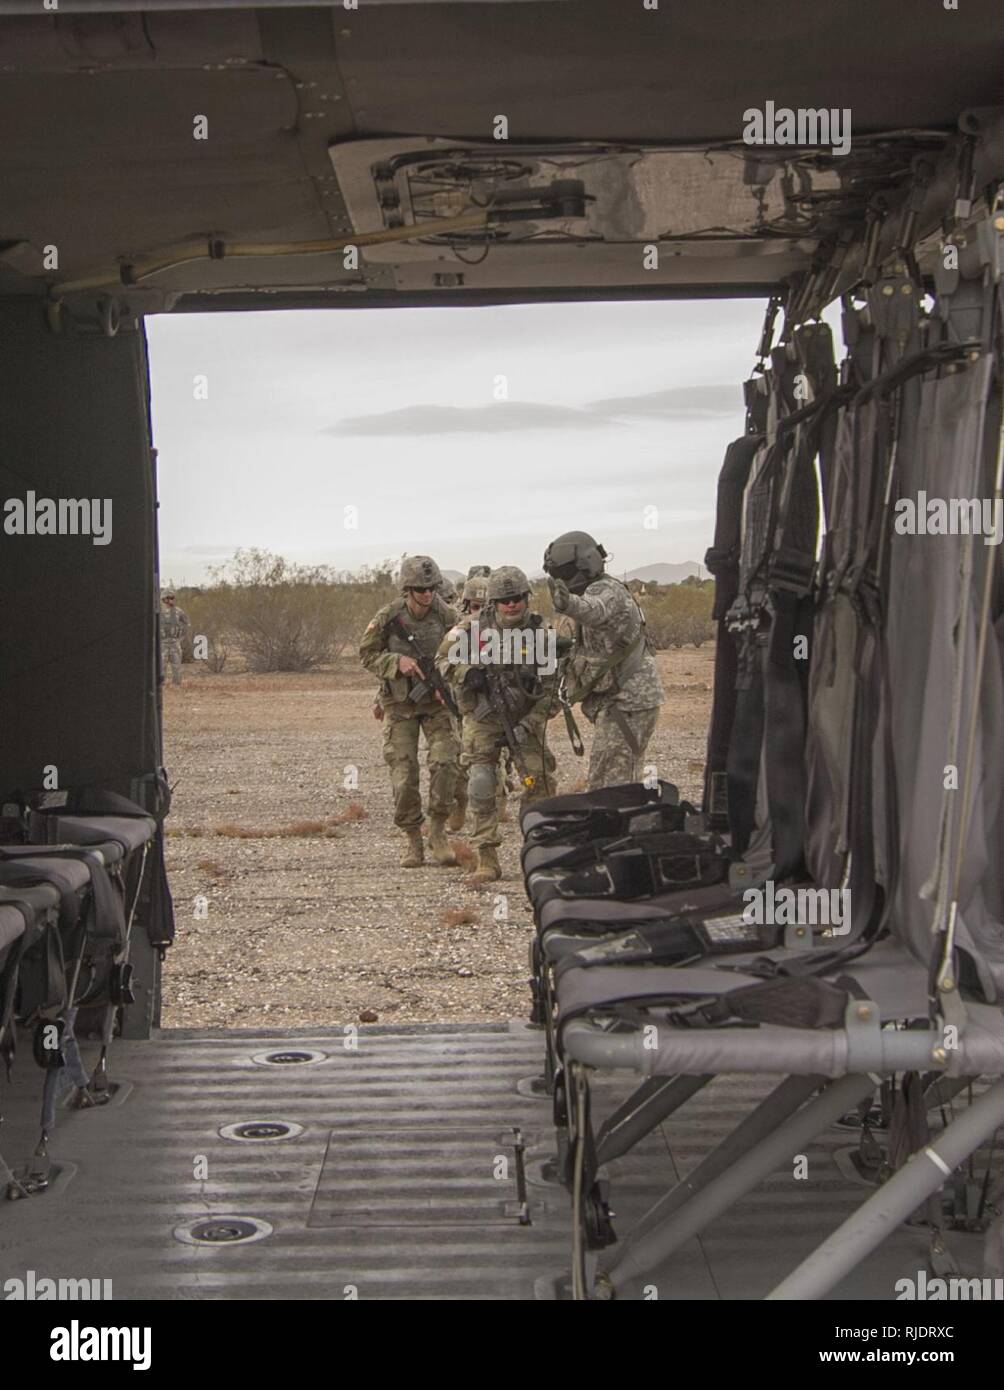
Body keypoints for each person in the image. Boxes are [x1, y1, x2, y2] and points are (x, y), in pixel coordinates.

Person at [438, 565, 558, 883]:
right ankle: (486, 859)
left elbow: (552, 689)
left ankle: (539, 853)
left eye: (517, 597)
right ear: (494, 602)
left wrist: (530, 723)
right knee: (481, 784)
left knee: (539, 783)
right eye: (504, 599)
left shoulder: (540, 633)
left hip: (525, 719)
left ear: (526, 598)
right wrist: (466, 673)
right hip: (484, 717)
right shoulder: (470, 629)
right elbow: (442, 661)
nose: (511, 605)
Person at [360, 555, 461, 868]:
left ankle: (438, 830)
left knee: (445, 764)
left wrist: (449, 682)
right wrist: (395, 663)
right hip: (400, 705)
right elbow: (366, 654)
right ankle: (413, 838)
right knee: (404, 775)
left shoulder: (447, 615)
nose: (427, 594)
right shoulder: (389, 616)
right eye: (420, 589)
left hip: (436, 704)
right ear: (407, 589)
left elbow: (464, 652)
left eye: (431, 588)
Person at [543, 531, 664, 789]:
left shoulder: (607, 591)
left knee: (612, 784)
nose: (561, 580)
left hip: (627, 701)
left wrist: (569, 604)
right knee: (609, 777)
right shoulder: (601, 588)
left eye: (564, 573)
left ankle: (624, 826)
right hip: (620, 701)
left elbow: (594, 609)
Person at [447, 571, 509, 832]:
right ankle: (460, 803)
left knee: (496, 758)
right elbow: (442, 662)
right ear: (465, 606)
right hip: (461, 703)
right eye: (475, 606)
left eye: (485, 606)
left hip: (496, 706)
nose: (479, 611)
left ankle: (497, 800)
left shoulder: (503, 627)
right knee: (460, 760)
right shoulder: (459, 630)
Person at [159, 589, 190, 687]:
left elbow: (187, 623)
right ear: (164, 599)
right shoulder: (158, 611)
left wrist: (181, 637)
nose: (172, 600)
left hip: (175, 642)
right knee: (161, 665)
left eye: (173, 598)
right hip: (162, 642)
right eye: (170, 598)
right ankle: (161, 684)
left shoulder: (178, 611)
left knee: (176, 664)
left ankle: (176, 684)